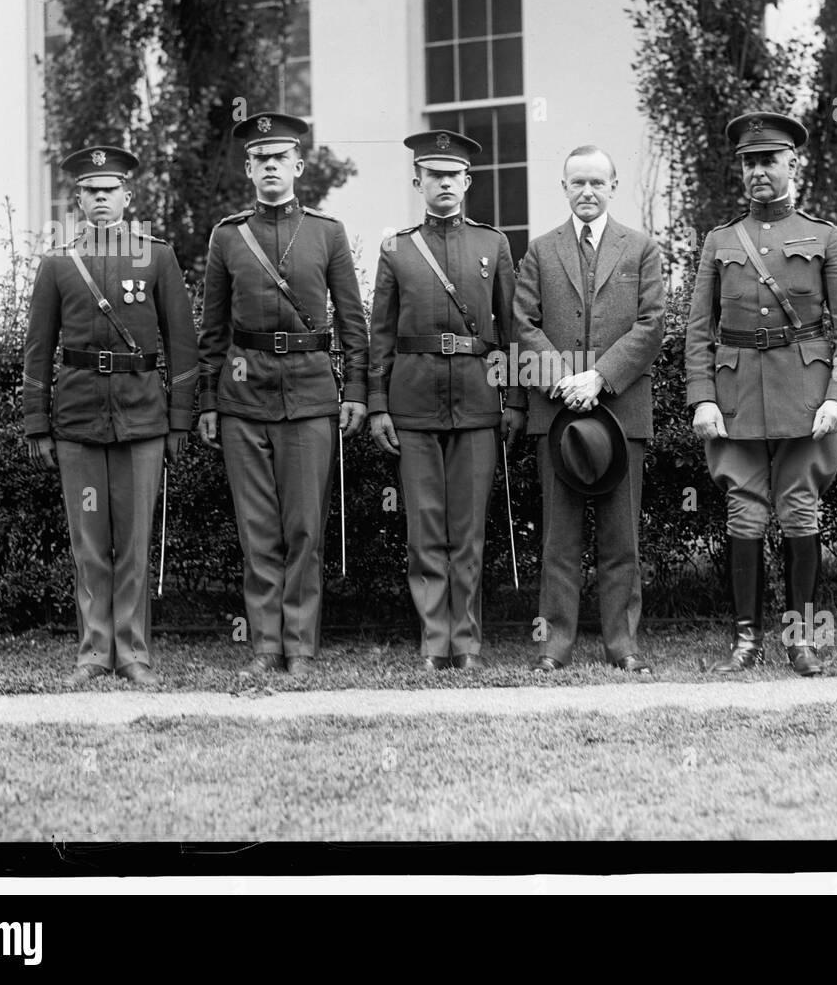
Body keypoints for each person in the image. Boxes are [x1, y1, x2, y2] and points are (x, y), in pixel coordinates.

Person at [685, 112, 837, 677]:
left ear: (793, 164)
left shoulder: (825, 235)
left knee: (799, 509)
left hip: (806, 395)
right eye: (749, 162)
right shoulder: (719, 240)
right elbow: (697, 330)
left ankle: (800, 641)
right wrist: (702, 398)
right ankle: (745, 642)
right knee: (743, 512)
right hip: (735, 395)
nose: (758, 171)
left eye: (769, 160)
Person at [197, 112, 368, 678]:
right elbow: (212, 332)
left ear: (298, 166)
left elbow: (352, 321)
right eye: (260, 160)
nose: (271, 168)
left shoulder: (328, 232)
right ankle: (265, 646)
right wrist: (207, 402)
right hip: (243, 399)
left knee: (303, 527)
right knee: (258, 529)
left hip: (311, 394)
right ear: (249, 169)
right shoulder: (227, 236)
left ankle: (300, 646)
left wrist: (357, 392)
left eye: (280, 159)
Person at [24, 145, 198, 687]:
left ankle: (134, 653)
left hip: (142, 420)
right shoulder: (57, 264)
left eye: (110, 190)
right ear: (76, 199)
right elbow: (37, 349)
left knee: (135, 543)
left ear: (127, 196)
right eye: (90, 191)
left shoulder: (157, 257)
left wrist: (179, 421)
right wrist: (37, 422)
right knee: (89, 542)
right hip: (76, 422)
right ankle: (94, 651)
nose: (101, 199)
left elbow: (183, 346)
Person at [368, 130, 526, 672]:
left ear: (467, 181)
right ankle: (435, 641)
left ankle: (469, 642)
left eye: (452, 175)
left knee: (468, 531)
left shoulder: (494, 245)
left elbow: (512, 331)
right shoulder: (397, 248)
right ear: (418, 182)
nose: (444, 184)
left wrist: (517, 403)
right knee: (425, 529)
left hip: (478, 404)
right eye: (433, 175)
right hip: (413, 403)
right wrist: (377, 405)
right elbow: (380, 334)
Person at [514, 145, 665, 674]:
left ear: (613, 186)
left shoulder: (641, 248)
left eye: (597, 183)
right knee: (559, 536)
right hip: (557, 415)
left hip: (622, 410)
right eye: (577, 183)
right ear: (563, 187)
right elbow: (524, 325)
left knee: (621, 536)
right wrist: (565, 380)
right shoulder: (539, 251)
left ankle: (622, 644)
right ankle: (553, 645)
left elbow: (652, 326)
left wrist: (599, 377)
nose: (586, 192)